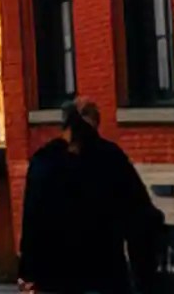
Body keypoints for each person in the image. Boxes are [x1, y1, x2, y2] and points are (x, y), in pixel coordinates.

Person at [18, 98, 165, 293]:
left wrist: (28, 273)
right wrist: (144, 277)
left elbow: (32, 222)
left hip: (56, 277)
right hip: (104, 274)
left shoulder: (44, 161)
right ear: (95, 124)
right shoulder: (110, 158)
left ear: (65, 125)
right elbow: (139, 218)